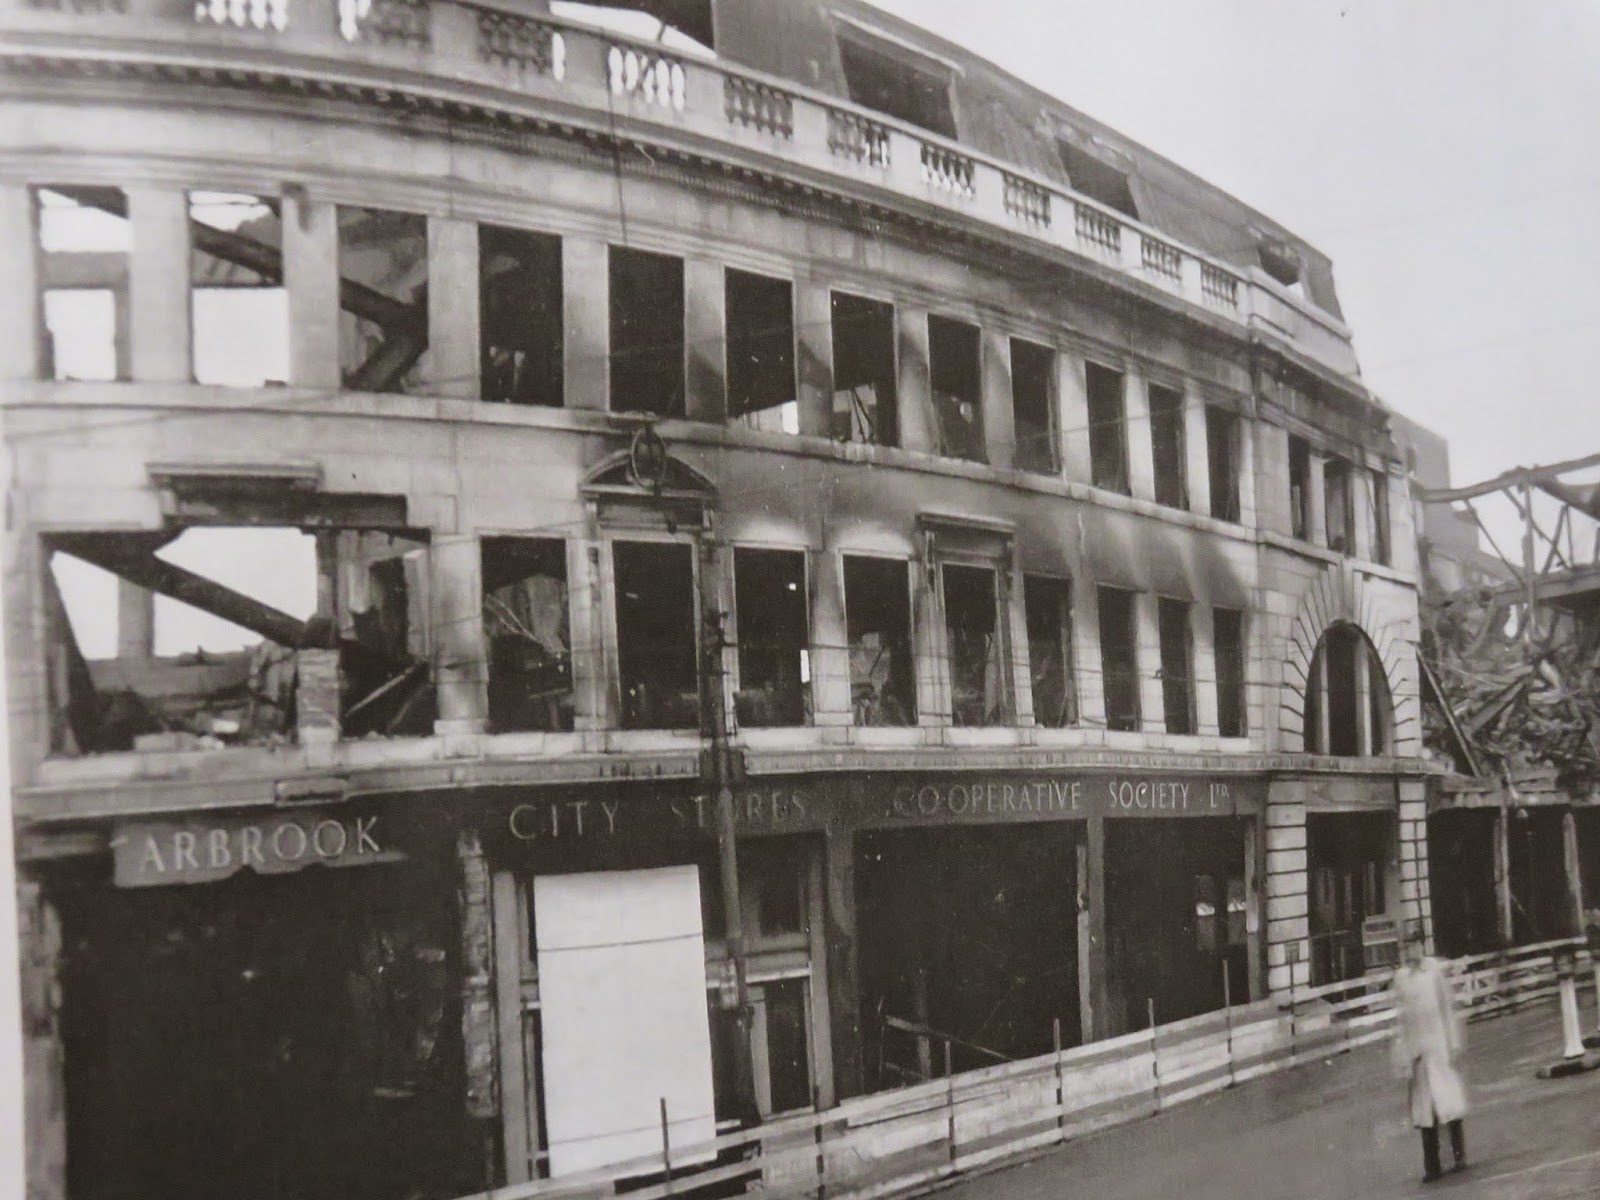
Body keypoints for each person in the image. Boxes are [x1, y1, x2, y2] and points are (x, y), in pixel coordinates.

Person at [1390, 923, 1468, 1182]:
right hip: (1418, 1052)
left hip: (1439, 1046)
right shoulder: (1401, 979)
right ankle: (1432, 1166)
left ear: (1422, 945)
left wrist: (1453, 1043)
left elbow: (1447, 1007)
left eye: (1414, 944)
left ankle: (1458, 1155)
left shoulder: (1433, 972)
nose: (1410, 950)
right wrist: (1402, 1056)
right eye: (1406, 946)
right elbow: (1401, 1020)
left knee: (1448, 1103)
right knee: (1425, 1112)